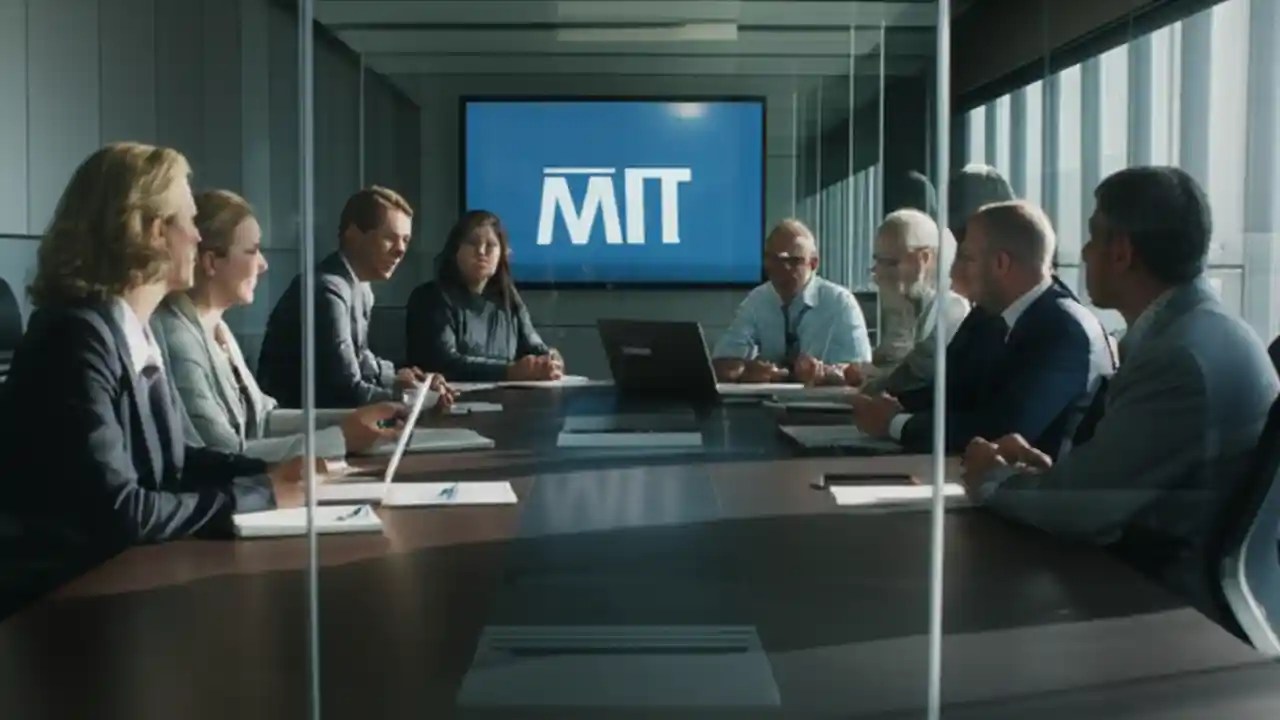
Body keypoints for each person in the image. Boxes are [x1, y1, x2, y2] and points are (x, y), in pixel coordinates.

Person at [961, 167, 1280, 619]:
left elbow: (1084, 511)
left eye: (1093, 237)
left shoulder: (1180, 356)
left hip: (1172, 609)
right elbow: (1121, 480)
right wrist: (1048, 475)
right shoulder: (1202, 331)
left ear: (1122, 253)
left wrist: (993, 480)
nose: (1085, 252)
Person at [0, 143, 304, 616]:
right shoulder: (74, 339)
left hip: (124, 588)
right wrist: (260, 494)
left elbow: (180, 461)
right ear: (153, 231)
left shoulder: (130, 328)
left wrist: (271, 475)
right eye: (190, 220)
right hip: (59, 614)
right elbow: (122, 512)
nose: (199, 237)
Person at [151, 190, 408, 462]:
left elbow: (263, 419)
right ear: (211, 262)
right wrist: (341, 436)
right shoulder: (177, 338)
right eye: (252, 250)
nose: (263, 265)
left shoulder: (218, 329)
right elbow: (226, 455)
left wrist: (358, 420)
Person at [852, 200, 1114, 456]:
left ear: (1001, 264)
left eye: (966, 258)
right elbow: (948, 391)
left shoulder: (1065, 331)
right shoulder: (988, 317)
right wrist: (887, 406)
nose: (955, 272)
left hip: (1031, 494)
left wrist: (896, 424)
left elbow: (1004, 430)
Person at [257, 186, 445, 408]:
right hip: (299, 427)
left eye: (405, 240)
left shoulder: (358, 286)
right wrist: (419, 400)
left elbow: (359, 357)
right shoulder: (327, 291)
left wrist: (403, 378)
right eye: (390, 238)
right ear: (353, 235)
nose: (401, 250)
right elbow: (346, 390)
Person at [405, 210, 562, 382]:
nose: (481, 251)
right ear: (455, 250)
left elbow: (534, 348)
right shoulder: (429, 298)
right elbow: (442, 363)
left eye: (490, 245)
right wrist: (509, 372)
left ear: (501, 254)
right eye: (472, 243)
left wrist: (549, 361)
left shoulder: (508, 300)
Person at [712, 218, 871, 384]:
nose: (782, 269)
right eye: (773, 260)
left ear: (814, 263)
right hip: (767, 406)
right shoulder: (757, 300)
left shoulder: (840, 303)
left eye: (793, 261)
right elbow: (720, 364)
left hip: (822, 404)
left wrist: (825, 375)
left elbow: (861, 373)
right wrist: (747, 370)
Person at [842, 209, 971, 394]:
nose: (878, 276)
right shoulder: (908, 310)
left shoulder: (951, 312)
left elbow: (911, 378)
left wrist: (872, 379)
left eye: (890, 263)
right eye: (877, 263)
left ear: (924, 259)